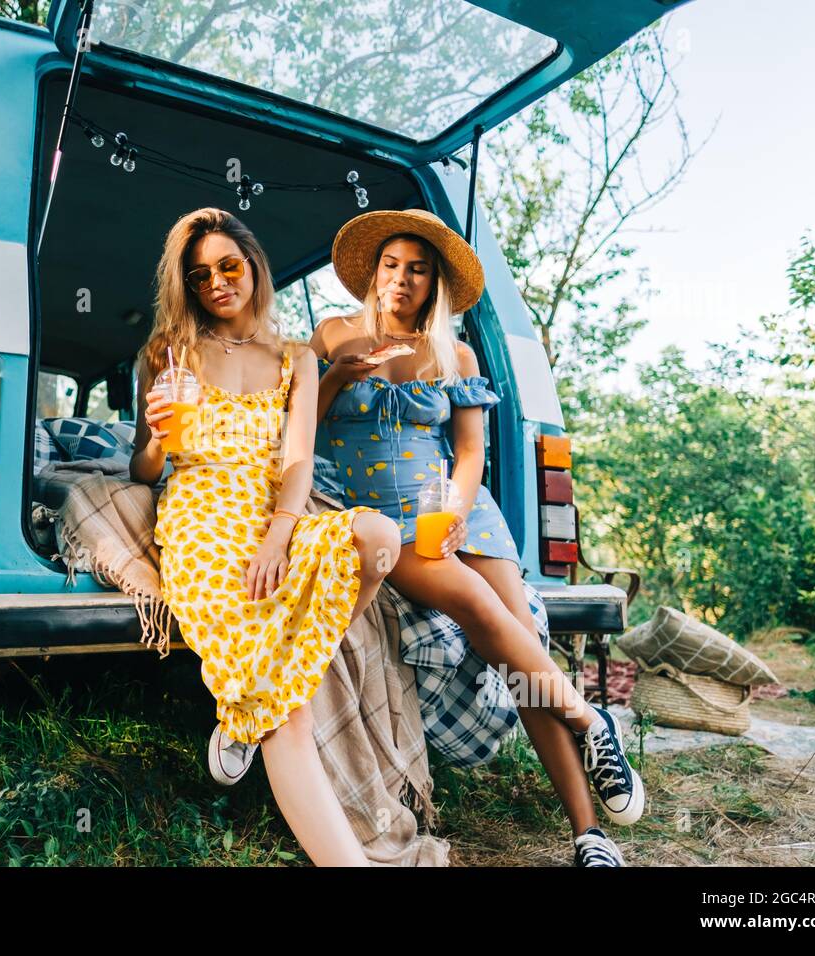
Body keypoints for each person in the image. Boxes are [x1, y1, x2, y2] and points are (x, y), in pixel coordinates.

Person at [309, 207, 644, 867]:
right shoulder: (332, 337)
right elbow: (303, 428)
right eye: (392, 266)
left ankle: (589, 836)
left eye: (418, 270)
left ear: (433, 284)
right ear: (372, 274)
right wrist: (337, 378)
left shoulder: (451, 353)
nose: (401, 279)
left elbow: (468, 452)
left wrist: (459, 509)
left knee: (524, 646)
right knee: (482, 609)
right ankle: (589, 718)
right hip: (383, 517)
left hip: (460, 509)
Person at [129, 207, 403, 867]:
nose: (218, 283)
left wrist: (280, 535)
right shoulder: (167, 351)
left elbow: (298, 461)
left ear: (253, 266)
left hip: (271, 514)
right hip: (198, 520)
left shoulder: (295, 359)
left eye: (229, 266)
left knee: (377, 536)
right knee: (291, 715)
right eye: (200, 276)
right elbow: (143, 467)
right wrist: (158, 433)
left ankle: (248, 708)